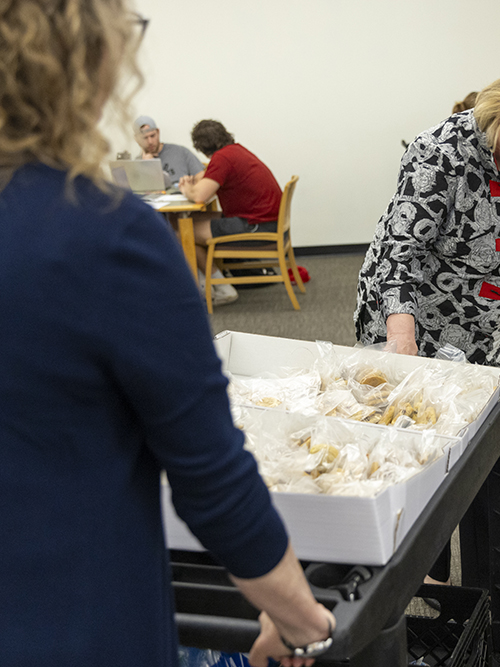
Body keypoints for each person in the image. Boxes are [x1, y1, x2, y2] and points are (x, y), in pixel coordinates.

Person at [0, 3, 334, 666]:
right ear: (91, 60)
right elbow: (213, 480)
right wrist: (302, 620)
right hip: (71, 621)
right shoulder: (106, 236)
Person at [355, 60, 500, 637]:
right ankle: (425, 583)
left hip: (494, 335)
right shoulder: (441, 152)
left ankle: (494, 598)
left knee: (485, 464)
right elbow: (399, 248)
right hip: (419, 327)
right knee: (421, 460)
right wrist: (400, 336)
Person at [178, 119, 283, 307]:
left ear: (200, 146)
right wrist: (196, 179)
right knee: (190, 222)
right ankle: (210, 282)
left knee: (182, 232)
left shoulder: (223, 158)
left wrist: (187, 189)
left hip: (256, 227)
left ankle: (222, 289)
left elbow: (200, 196)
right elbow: (208, 174)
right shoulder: (234, 151)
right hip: (264, 220)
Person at [133, 114, 204, 187]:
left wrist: (193, 189)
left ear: (158, 132)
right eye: (145, 138)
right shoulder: (136, 164)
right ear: (137, 139)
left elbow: (201, 176)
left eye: (152, 136)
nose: (150, 141)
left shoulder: (180, 152)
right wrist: (149, 166)